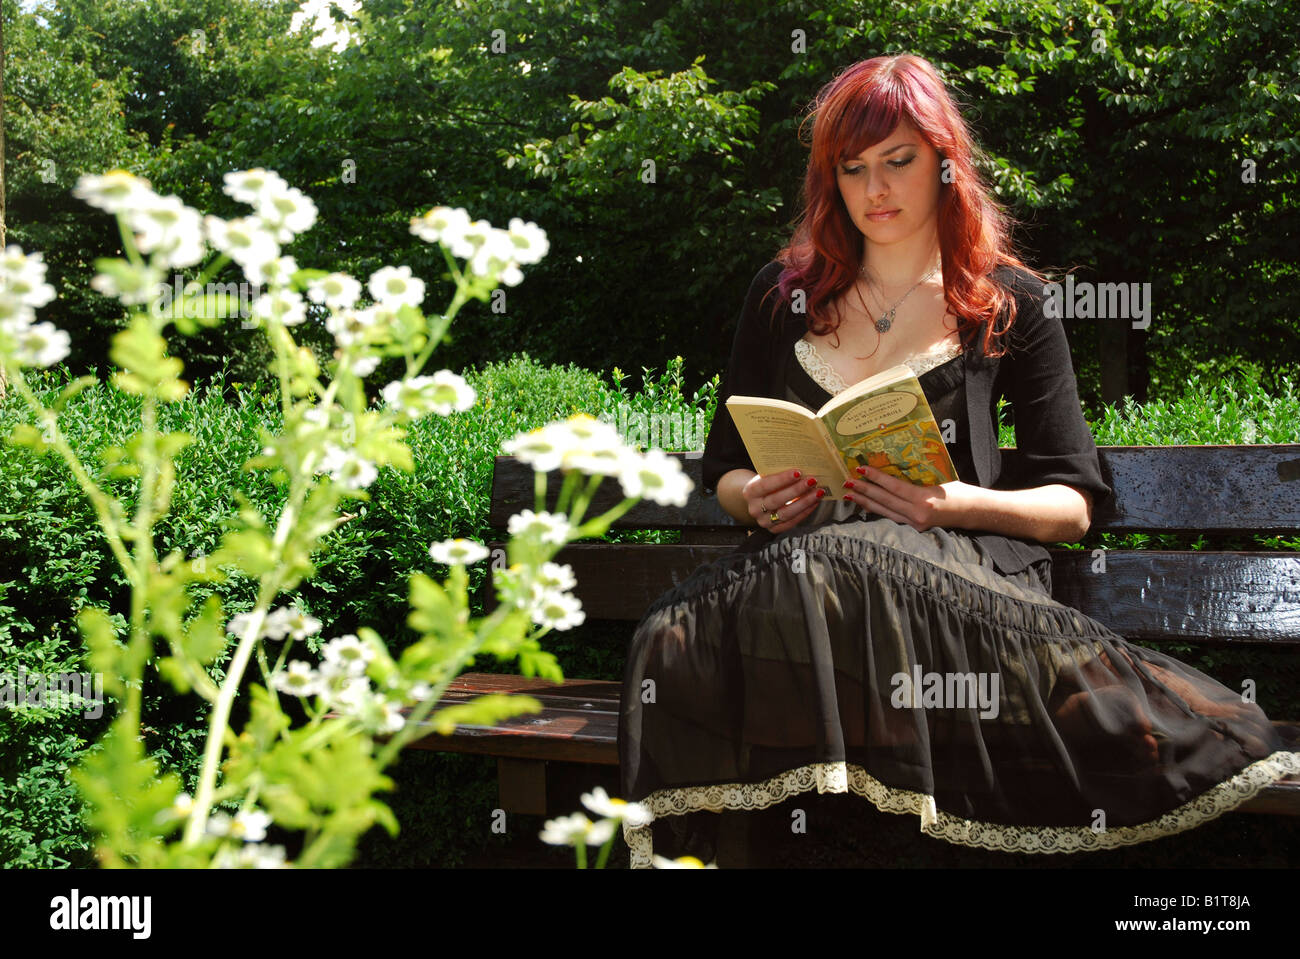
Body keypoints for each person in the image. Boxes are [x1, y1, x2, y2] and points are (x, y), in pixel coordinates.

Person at [616, 54, 1300, 868]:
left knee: (853, 562)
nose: (876, 188)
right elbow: (722, 470)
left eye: (899, 161)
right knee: (669, 634)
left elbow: (1074, 504)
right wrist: (755, 497)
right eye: (853, 168)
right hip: (803, 585)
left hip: (954, 580)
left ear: (945, 162)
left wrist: (950, 502)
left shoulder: (1010, 301)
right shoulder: (782, 295)